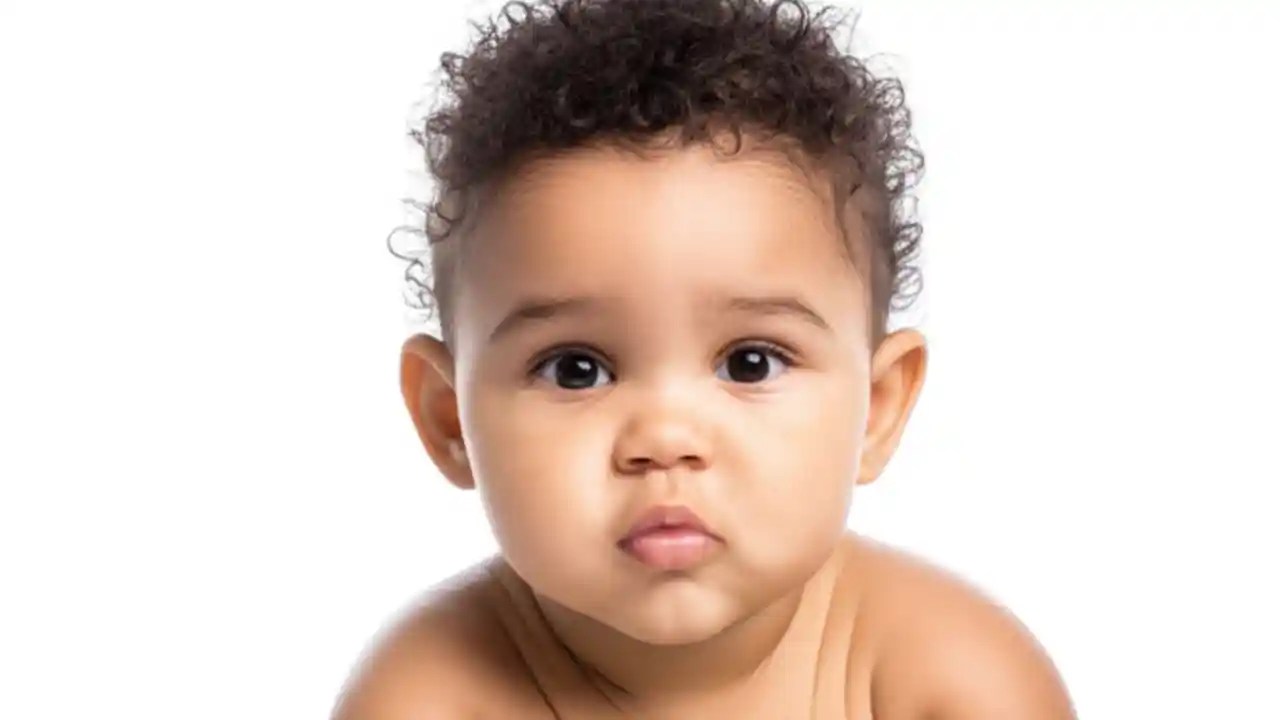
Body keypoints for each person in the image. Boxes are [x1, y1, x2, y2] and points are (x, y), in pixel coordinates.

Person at [336, 0, 1075, 717]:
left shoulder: (951, 685)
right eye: (576, 368)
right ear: (448, 420)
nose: (665, 439)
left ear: (877, 408)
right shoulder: (427, 699)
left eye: (751, 362)